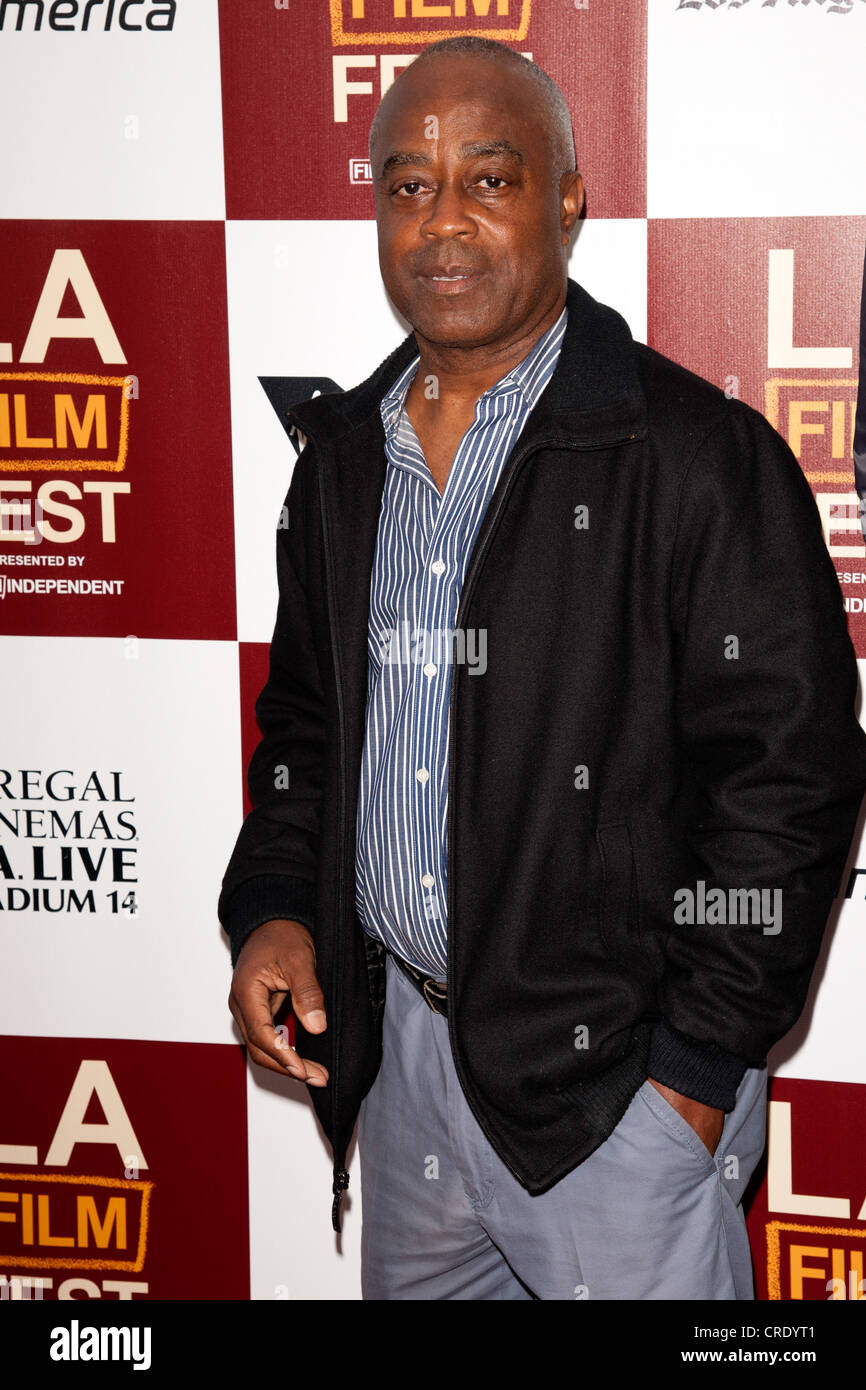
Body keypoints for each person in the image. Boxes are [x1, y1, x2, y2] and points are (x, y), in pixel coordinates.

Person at [219, 37, 866, 1300]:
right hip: (404, 1066)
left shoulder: (697, 460)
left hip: (611, 1101)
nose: (441, 221)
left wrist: (689, 1069)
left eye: (489, 180)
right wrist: (278, 908)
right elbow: (305, 726)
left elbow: (787, 784)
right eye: (406, 185)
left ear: (566, 199)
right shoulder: (342, 461)